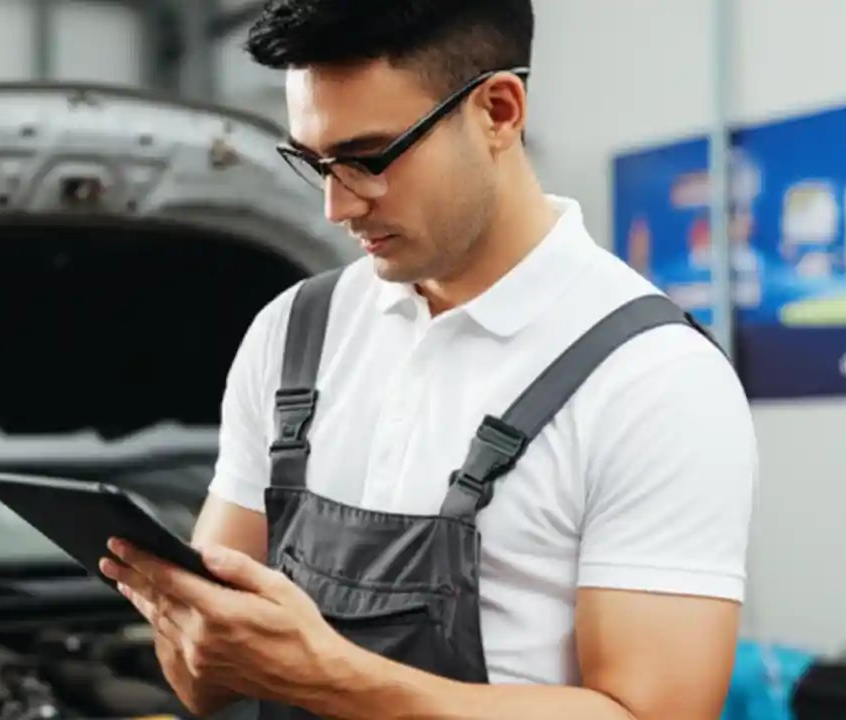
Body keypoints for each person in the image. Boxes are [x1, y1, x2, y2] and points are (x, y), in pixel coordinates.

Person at [98, 1, 758, 718]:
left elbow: (652, 715)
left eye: (368, 157)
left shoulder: (653, 380)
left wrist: (329, 676)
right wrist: (189, 623)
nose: (336, 205)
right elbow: (202, 684)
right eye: (314, 162)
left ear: (499, 111)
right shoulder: (292, 333)